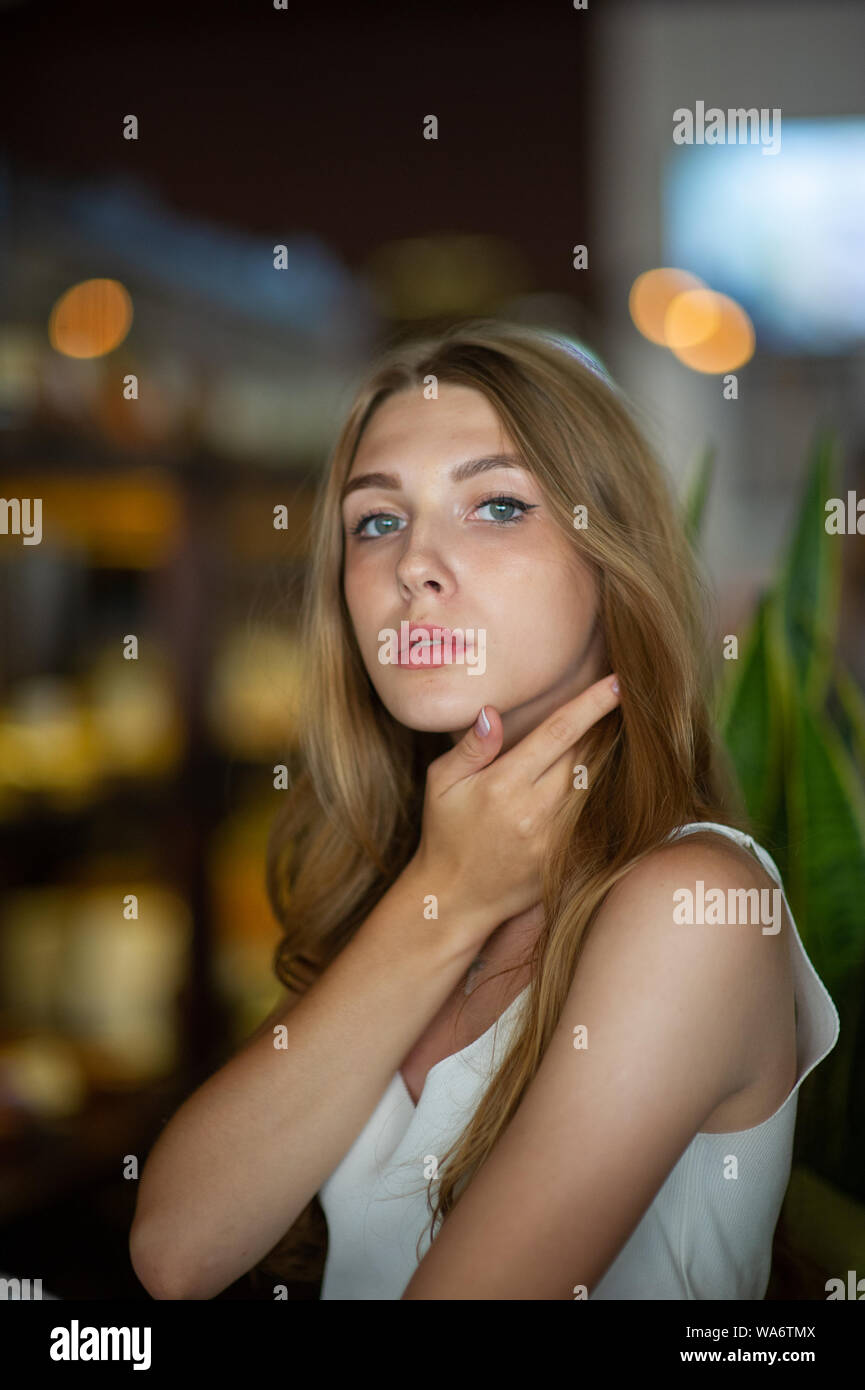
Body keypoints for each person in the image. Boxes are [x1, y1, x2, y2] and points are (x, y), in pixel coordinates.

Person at [129, 319, 839, 1301]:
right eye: (376, 521)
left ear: (610, 556)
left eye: (496, 504)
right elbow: (175, 1250)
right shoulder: (410, 881)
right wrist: (445, 895)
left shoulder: (692, 904)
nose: (412, 564)